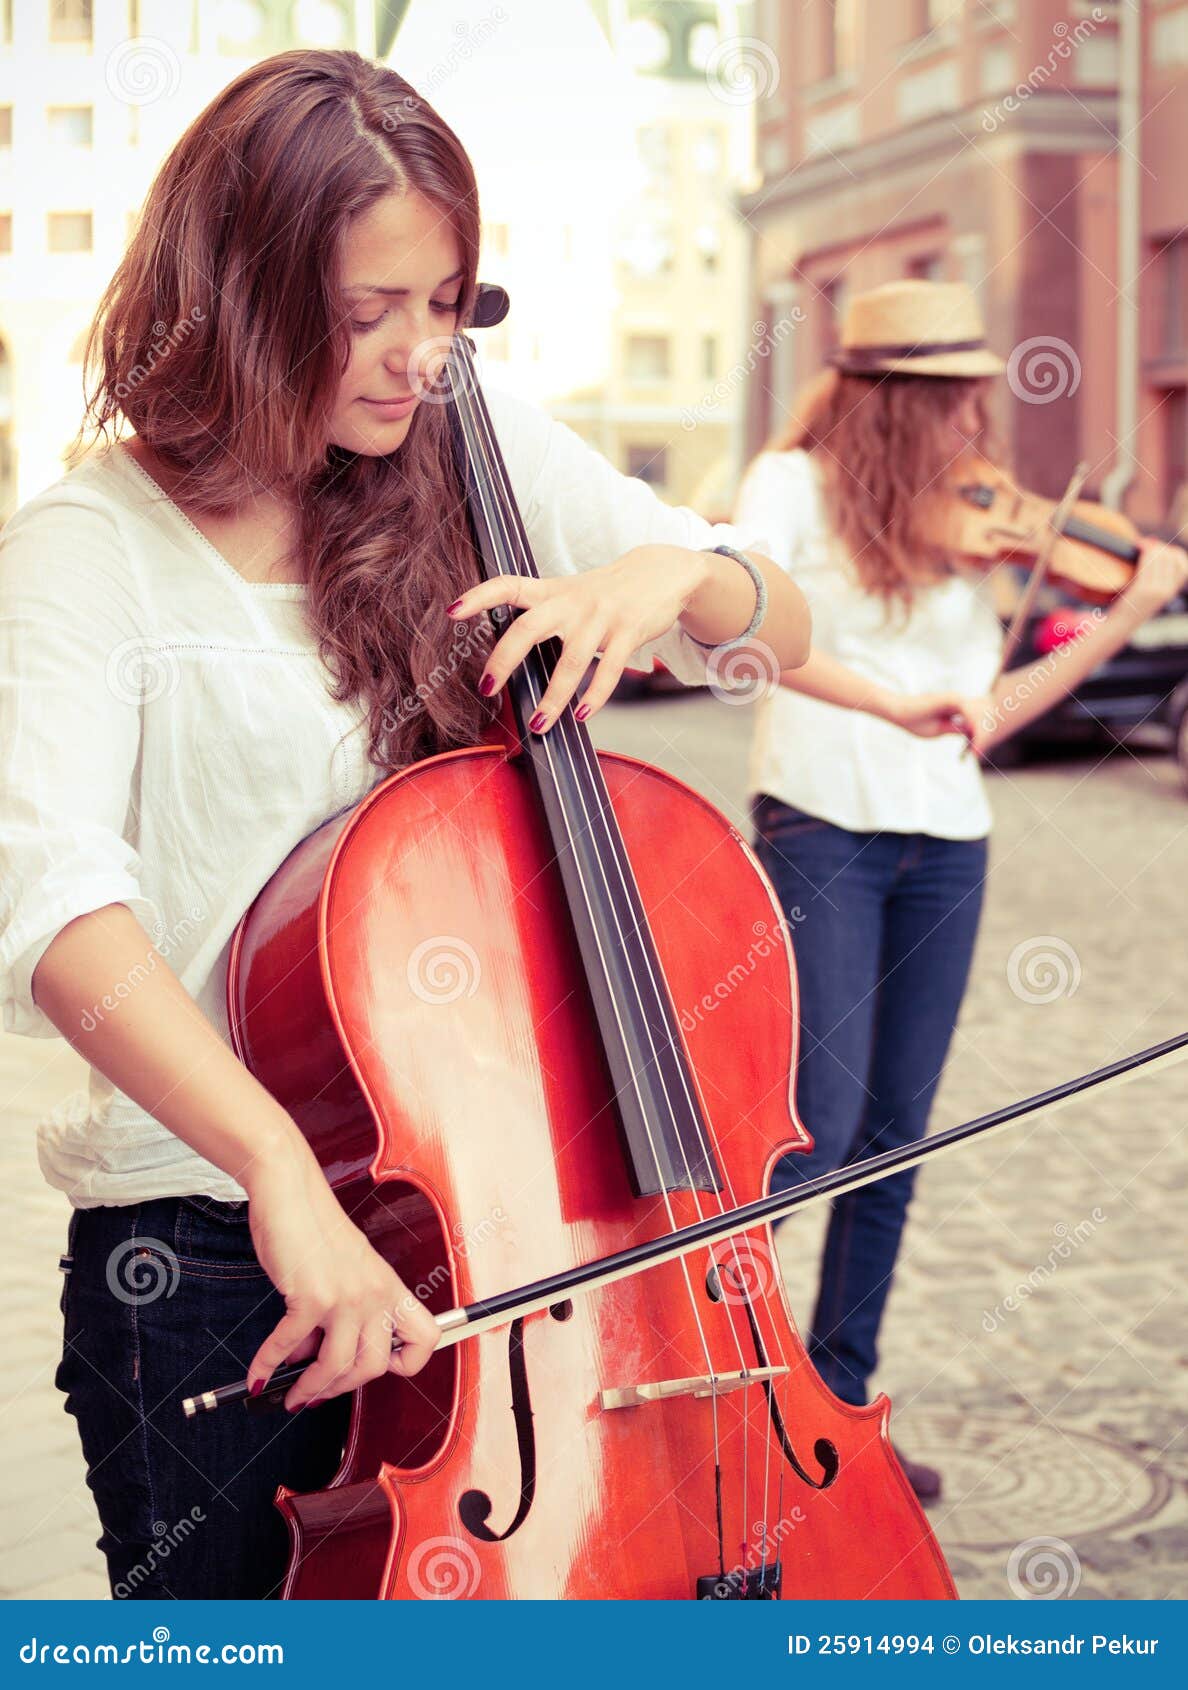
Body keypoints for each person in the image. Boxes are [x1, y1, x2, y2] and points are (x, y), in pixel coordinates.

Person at [0, 49, 811, 1601]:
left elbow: (793, 625)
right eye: (368, 314)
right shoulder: (87, 552)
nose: (422, 356)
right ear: (236, 293)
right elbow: (56, 916)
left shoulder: (463, 455)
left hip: (498, 1225)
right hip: (223, 1256)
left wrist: (678, 577)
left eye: (446, 304)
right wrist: (278, 1171)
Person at [734, 279, 1188, 1502]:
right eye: (953, 400)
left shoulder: (975, 517)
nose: (974, 426)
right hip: (821, 821)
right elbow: (744, 634)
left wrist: (1130, 612)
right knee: (809, 1130)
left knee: (894, 1135)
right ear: (894, 400)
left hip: (948, 836)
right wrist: (878, 700)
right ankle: (726, 1400)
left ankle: (834, 1407)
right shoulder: (790, 490)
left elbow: (987, 715)